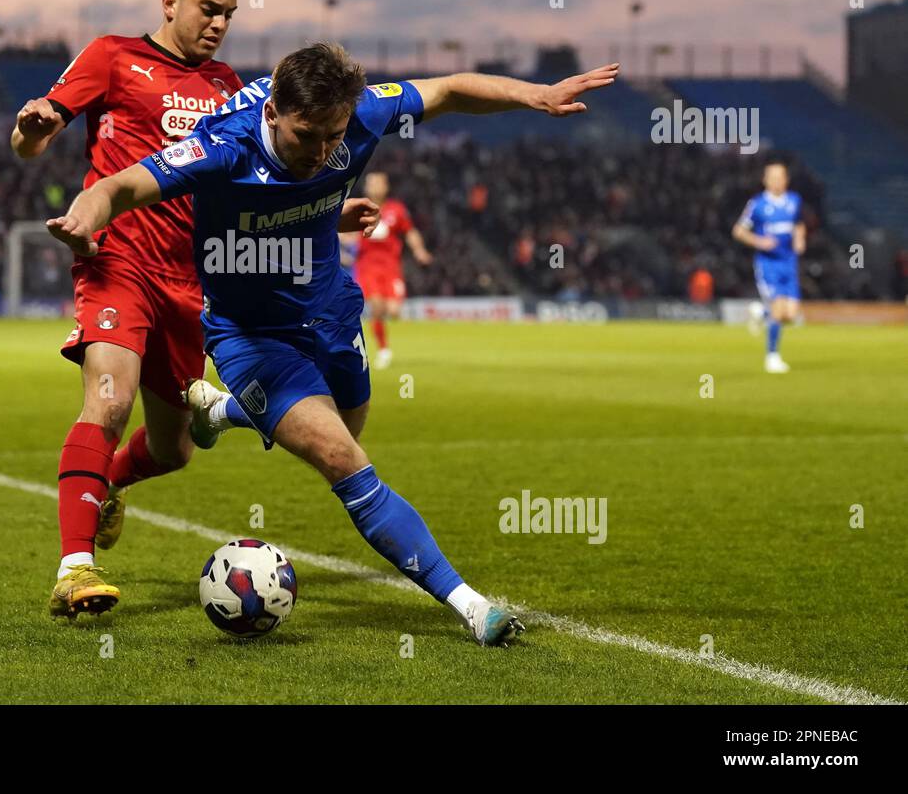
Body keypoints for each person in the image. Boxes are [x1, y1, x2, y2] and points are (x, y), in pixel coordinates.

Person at [47, 42, 619, 643]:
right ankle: (473, 607)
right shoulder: (223, 145)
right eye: (307, 135)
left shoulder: (365, 113)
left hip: (331, 314)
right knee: (344, 459)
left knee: (351, 423)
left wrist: (535, 95)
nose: (323, 152)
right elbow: (117, 188)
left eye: (334, 136)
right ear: (272, 113)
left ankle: (223, 411)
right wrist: (85, 219)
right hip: (250, 337)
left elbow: (448, 89)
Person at [12, 0, 378, 618]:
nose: (218, 24)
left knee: (174, 448)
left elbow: (257, 182)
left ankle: (112, 483)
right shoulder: (113, 56)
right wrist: (30, 131)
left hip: (196, 278)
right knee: (109, 399)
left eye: (230, 14)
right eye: (209, 9)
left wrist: (328, 211)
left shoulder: (231, 85)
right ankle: (75, 569)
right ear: (170, 2)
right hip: (118, 257)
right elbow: (32, 141)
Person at [343, 171, 432, 369]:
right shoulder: (358, 209)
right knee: (376, 307)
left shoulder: (396, 209)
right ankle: (383, 350)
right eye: (371, 183)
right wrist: (342, 243)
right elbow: (345, 233)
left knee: (394, 311)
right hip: (367, 266)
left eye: (378, 183)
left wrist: (419, 250)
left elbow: (410, 231)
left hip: (391, 266)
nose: (374, 187)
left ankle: (381, 339)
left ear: (386, 187)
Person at [732, 159, 805, 373]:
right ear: (765, 180)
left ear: (786, 180)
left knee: (791, 315)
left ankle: (759, 312)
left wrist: (800, 238)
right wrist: (759, 241)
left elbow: (799, 224)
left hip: (789, 262)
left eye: (780, 177)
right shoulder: (757, 204)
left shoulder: (794, 201)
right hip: (768, 264)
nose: (777, 181)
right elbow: (738, 231)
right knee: (777, 310)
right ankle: (772, 356)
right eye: (772, 177)